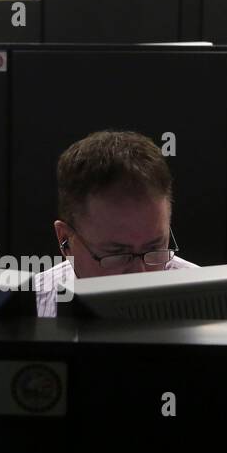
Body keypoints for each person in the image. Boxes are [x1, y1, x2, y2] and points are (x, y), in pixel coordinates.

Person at [33, 131, 198, 317]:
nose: (140, 276)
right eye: (117, 254)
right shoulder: (33, 308)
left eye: (154, 247)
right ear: (65, 241)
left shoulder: (203, 303)